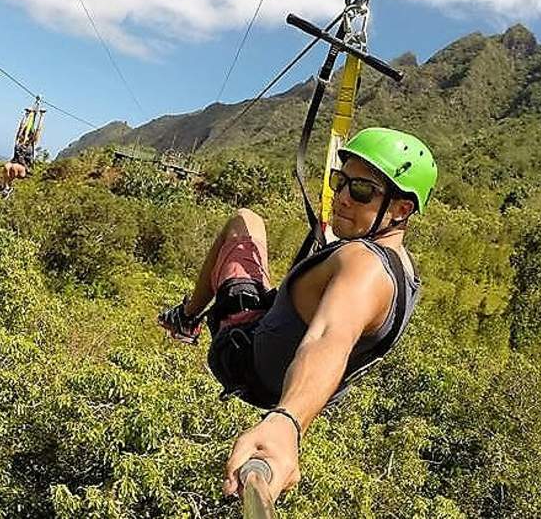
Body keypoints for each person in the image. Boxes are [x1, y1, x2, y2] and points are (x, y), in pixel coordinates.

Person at [157, 127, 437, 502]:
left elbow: (330, 337)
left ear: (401, 210)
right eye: (341, 183)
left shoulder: (363, 266)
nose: (341, 198)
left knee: (245, 220)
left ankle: (187, 318)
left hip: (243, 357)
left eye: (361, 191)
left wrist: (287, 422)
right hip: (282, 377)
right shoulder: (404, 272)